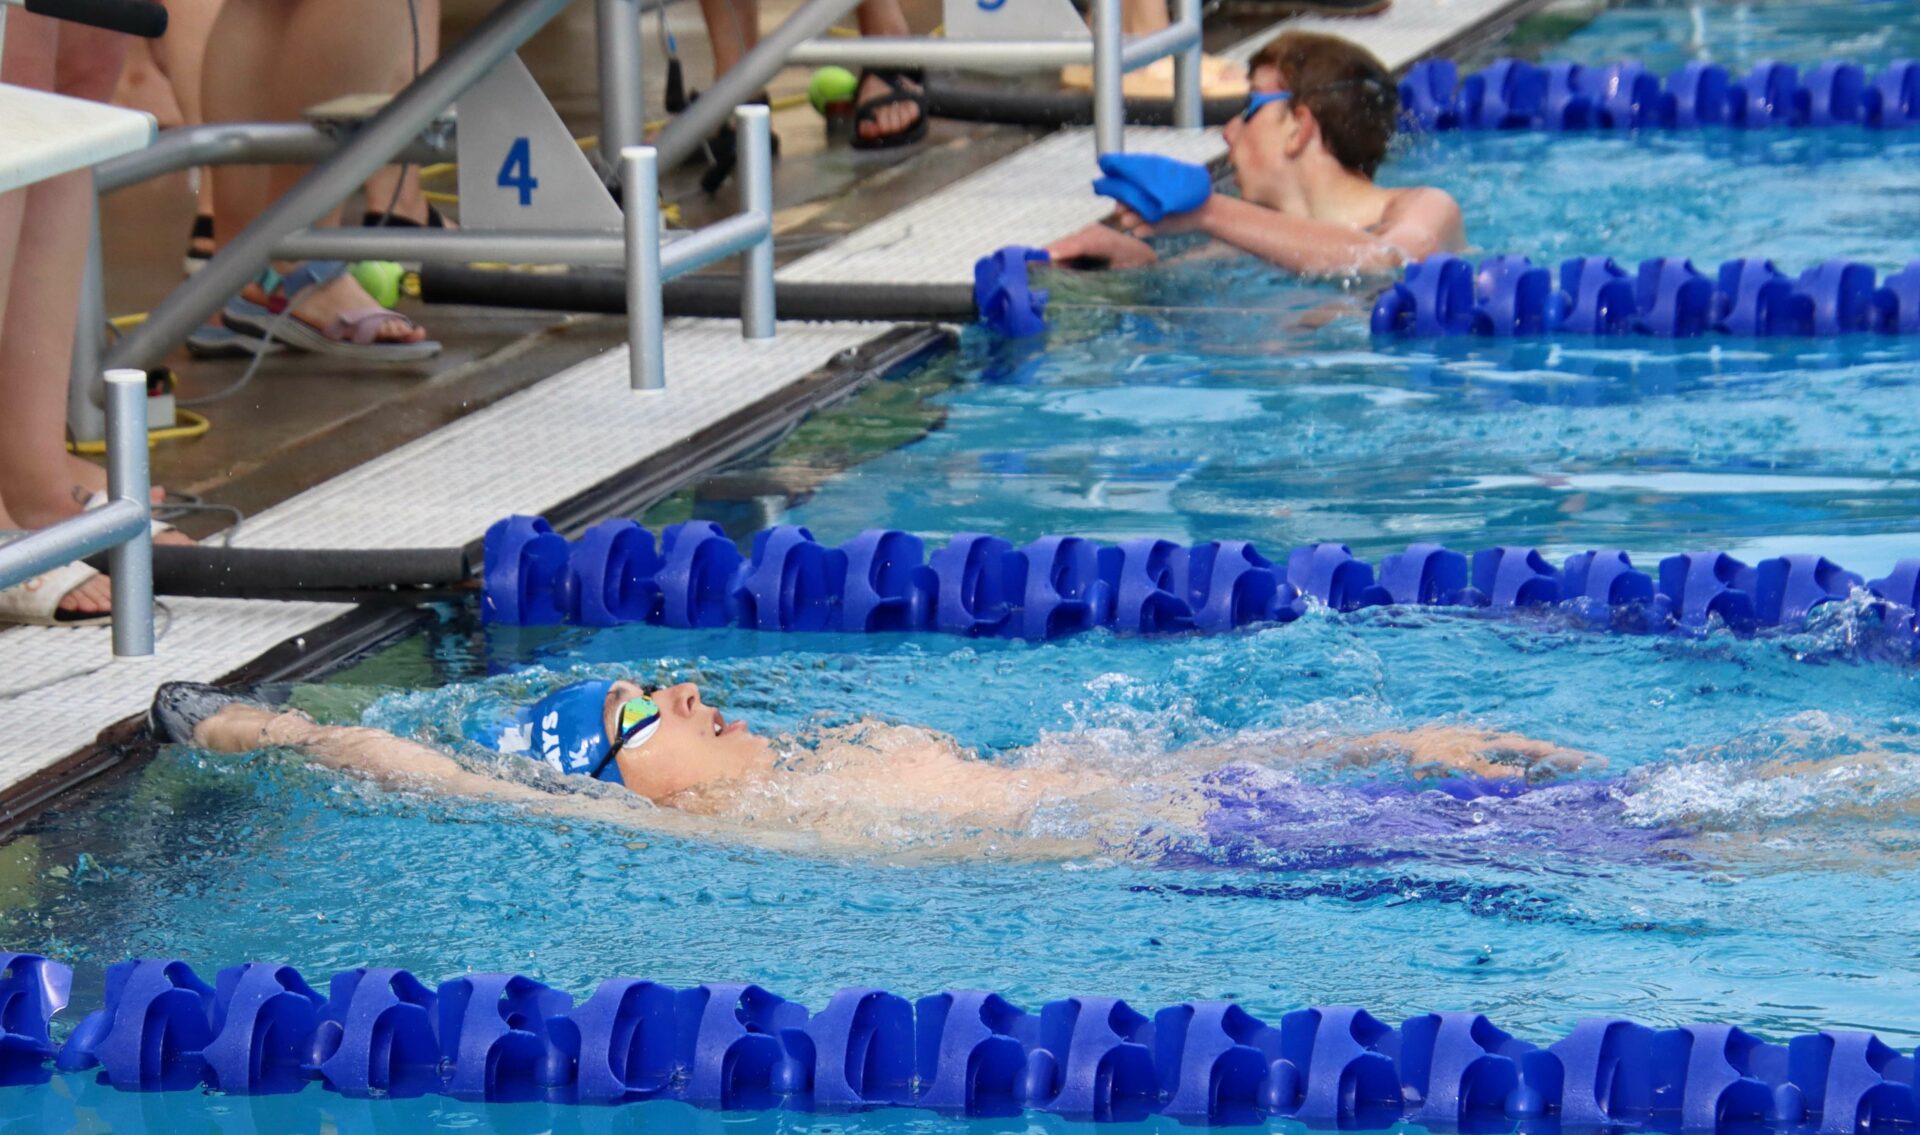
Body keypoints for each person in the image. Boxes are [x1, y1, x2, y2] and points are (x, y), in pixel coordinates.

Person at [148, 675, 1661, 866]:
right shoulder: (742, 835)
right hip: (1241, 856)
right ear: (616, 781)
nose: (686, 689)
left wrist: (1386, 739)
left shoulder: (837, 756)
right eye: (640, 711)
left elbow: (1125, 754)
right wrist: (252, 725)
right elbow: (418, 765)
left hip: (1265, 807)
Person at [1046, 31, 1465, 277]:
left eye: (1249, 108)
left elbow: (1389, 262)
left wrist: (1210, 211)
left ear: (1298, 127)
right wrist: (1133, 261)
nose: (1229, 132)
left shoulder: (1425, 207)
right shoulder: (1239, 248)